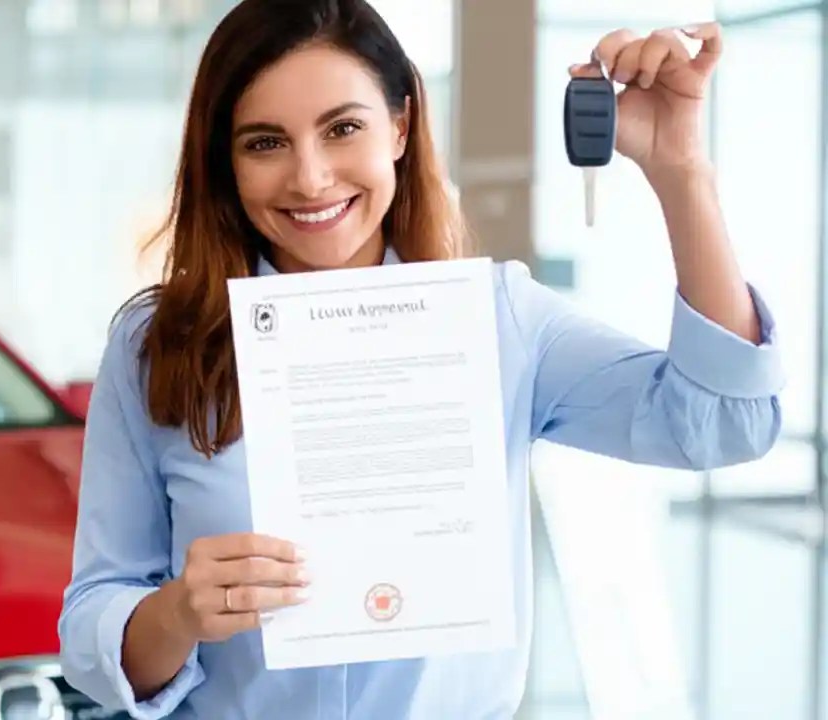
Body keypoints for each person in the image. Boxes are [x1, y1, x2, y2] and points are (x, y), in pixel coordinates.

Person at [58, 0, 784, 717]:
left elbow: (722, 424)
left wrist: (680, 168)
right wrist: (179, 613)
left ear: (400, 126)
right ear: (226, 160)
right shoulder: (157, 344)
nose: (310, 178)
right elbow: (94, 625)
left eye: (342, 128)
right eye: (265, 142)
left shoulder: (498, 320)